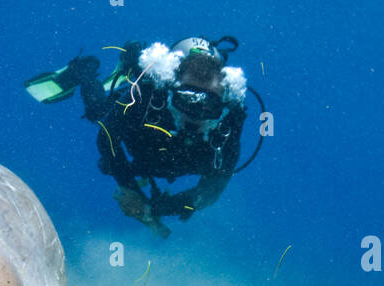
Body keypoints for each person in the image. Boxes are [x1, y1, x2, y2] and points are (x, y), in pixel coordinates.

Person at [62, 37, 249, 237]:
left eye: (208, 106)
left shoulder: (229, 124)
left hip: (158, 158)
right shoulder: (147, 95)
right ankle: (87, 72)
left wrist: (154, 208)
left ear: (222, 105)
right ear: (169, 92)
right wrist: (129, 187)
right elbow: (106, 136)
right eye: (187, 100)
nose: (195, 117)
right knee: (98, 110)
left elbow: (212, 189)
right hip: (143, 144)